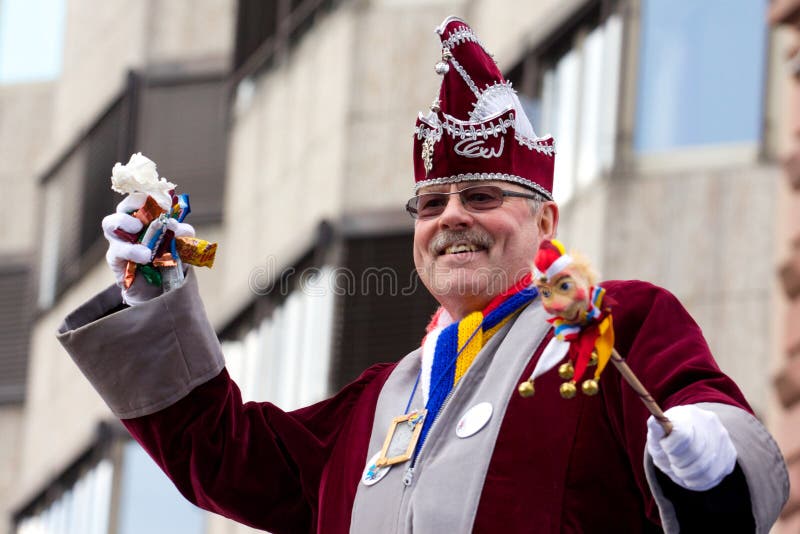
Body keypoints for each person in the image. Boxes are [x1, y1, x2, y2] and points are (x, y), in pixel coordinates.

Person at [58, 16, 788, 533]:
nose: (451, 218)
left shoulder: (615, 326)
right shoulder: (377, 404)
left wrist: (708, 452)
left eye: (481, 197)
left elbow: (715, 456)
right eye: (431, 203)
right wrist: (156, 297)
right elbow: (221, 455)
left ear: (546, 223)